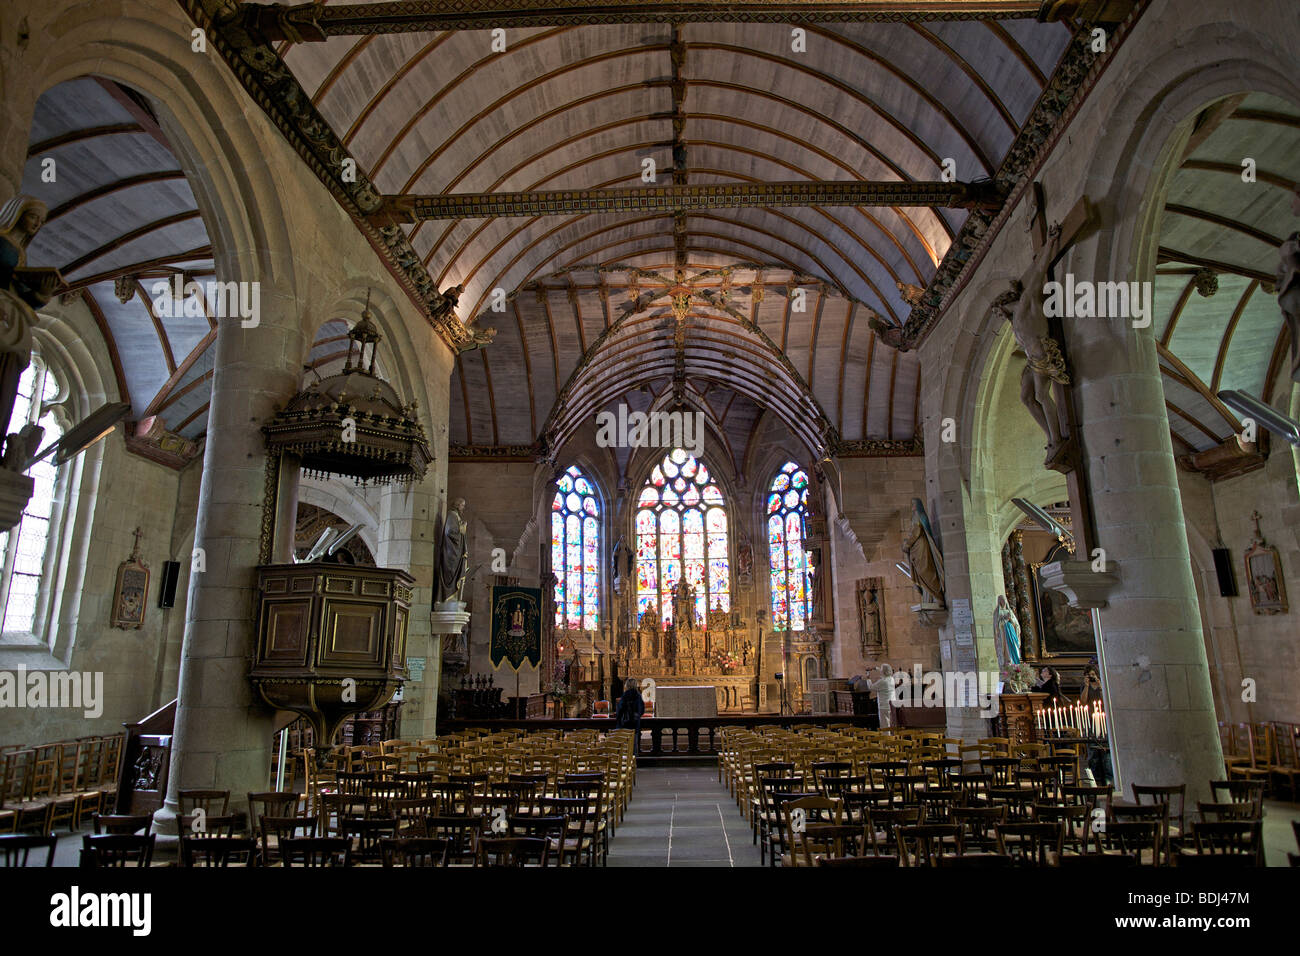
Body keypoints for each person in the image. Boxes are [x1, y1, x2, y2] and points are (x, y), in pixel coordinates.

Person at [614, 677, 645, 753]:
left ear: (627, 685)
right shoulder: (638, 696)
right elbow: (641, 710)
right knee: (634, 743)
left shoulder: (625, 695)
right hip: (634, 723)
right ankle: (634, 760)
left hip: (625, 723)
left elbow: (620, 710)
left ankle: (625, 761)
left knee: (624, 744)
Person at [872, 664, 898, 729]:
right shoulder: (892, 679)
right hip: (892, 705)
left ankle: (886, 738)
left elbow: (871, 687)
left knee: (885, 726)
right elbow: (884, 672)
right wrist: (876, 668)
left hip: (884, 707)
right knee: (892, 724)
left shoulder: (882, 681)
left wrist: (868, 678)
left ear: (883, 672)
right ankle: (892, 738)